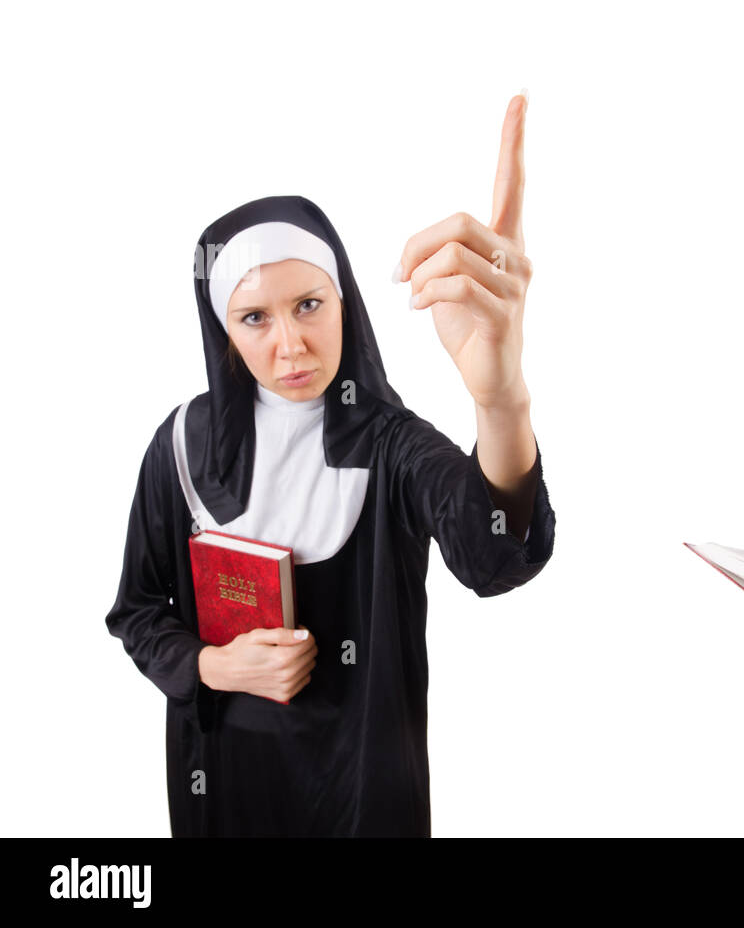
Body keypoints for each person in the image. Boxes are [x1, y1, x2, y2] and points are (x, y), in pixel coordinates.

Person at [106, 95, 555, 836]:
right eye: (255, 318)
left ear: (344, 299)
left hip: (363, 800)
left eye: (310, 304)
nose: (291, 346)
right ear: (224, 332)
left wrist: (501, 396)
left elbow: (496, 553)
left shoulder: (391, 445)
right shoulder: (182, 445)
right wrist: (214, 667)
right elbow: (137, 610)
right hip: (223, 793)